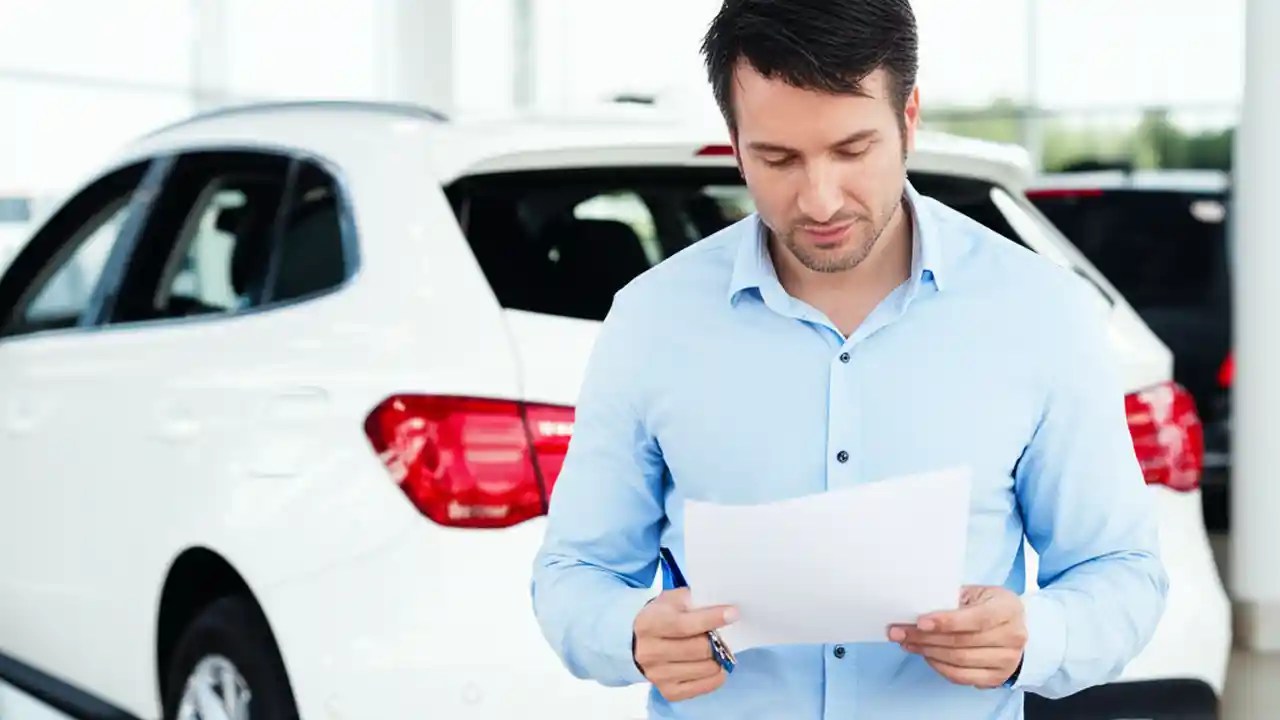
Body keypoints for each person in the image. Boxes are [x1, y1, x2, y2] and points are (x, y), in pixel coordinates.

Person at [530, 0, 1168, 717]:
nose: (820, 199)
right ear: (735, 145)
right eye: (778, 158)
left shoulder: (1038, 311)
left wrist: (1035, 637)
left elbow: (1122, 571)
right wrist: (631, 636)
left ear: (909, 118)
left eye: (852, 150)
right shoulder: (652, 319)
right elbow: (573, 574)